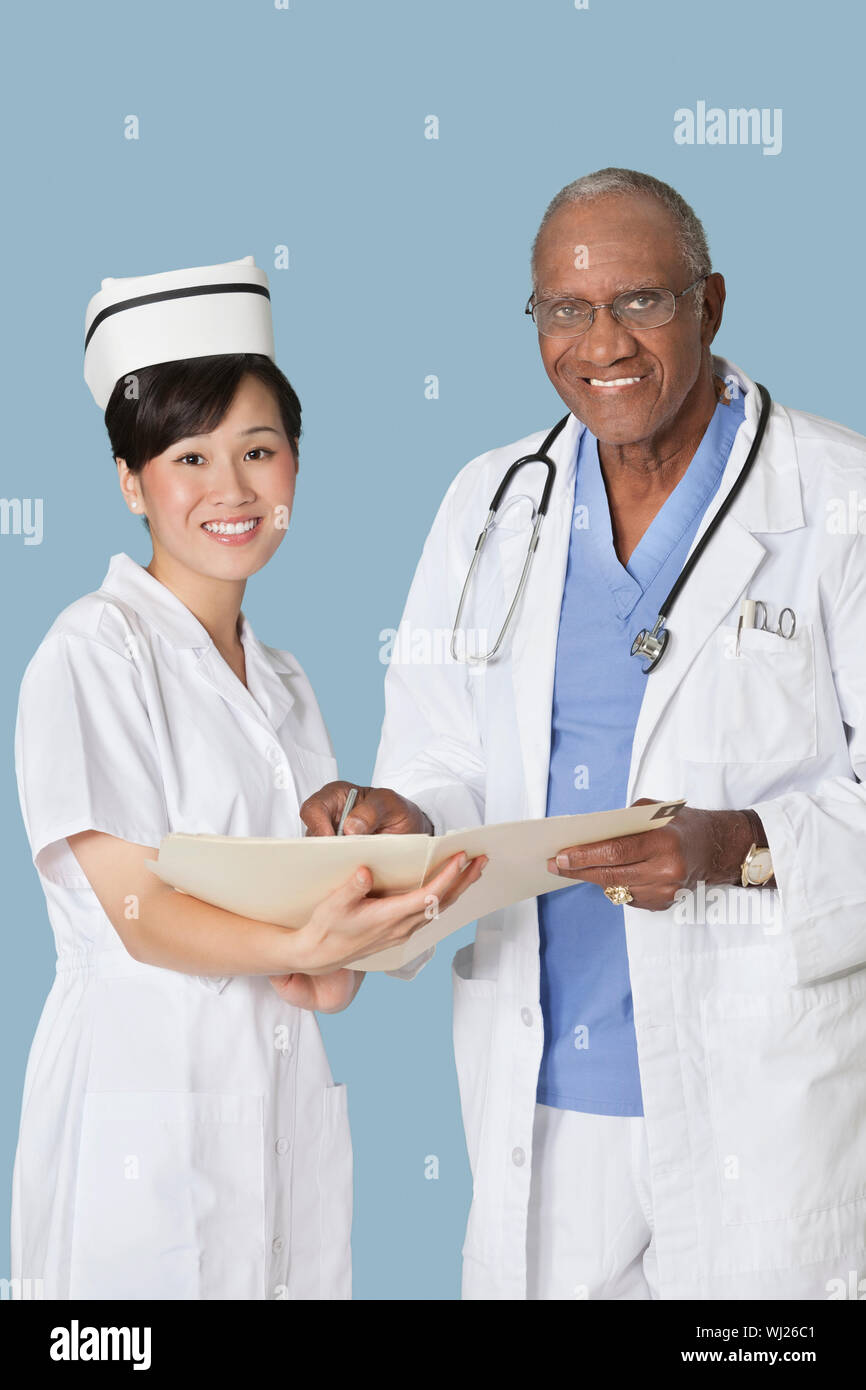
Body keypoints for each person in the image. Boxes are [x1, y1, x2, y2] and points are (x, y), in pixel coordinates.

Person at [301, 170, 866, 1299]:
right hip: (543, 1100)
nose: (598, 340)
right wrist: (402, 818)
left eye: (638, 303)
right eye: (564, 310)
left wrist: (730, 846)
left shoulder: (836, 497)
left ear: (708, 304)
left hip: (762, 1097)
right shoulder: (484, 505)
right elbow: (440, 759)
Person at [11, 255, 484, 1301]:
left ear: (296, 466)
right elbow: (136, 906)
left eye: (259, 450)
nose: (232, 490)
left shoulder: (284, 682)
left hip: (277, 1118)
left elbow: (311, 961)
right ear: (130, 480)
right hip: (138, 1118)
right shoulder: (91, 651)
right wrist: (303, 941)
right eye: (189, 455)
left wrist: (348, 949)